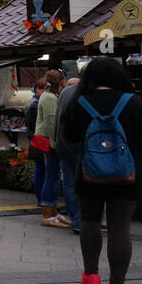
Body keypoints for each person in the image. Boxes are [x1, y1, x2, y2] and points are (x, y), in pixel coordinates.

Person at [60, 56, 142, 284]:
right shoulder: (135, 104)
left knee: (90, 221)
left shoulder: (79, 102)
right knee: (119, 227)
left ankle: (91, 276)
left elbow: (69, 137)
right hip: (129, 175)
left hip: (89, 174)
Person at [35, 69, 71, 228]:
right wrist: (56, 145)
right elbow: (51, 124)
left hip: (50, 143)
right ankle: (48, 215)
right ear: (61, 81)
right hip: (50, 144)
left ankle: (53, 212)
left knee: (53, 177)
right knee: (52, 178)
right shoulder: (50, 98)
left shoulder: (48, 95)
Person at [53, 74, 84, 233]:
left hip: (63, 145)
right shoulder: (85, 92)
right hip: (80, 146)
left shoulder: (64, 93)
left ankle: (76, 219)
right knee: (85, 182)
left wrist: (55, 139)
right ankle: (86, 219)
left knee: (69, 184)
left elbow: (57, 118)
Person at [25, 79, 48, 202]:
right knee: (42, 169)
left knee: (41, 169)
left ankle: (41, 197)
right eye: (43, 89)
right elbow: (35, 125)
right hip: (39, 140)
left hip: (35, 139)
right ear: (38, 89)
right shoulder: (35, 104)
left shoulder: (33, 103)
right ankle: (42, 198)